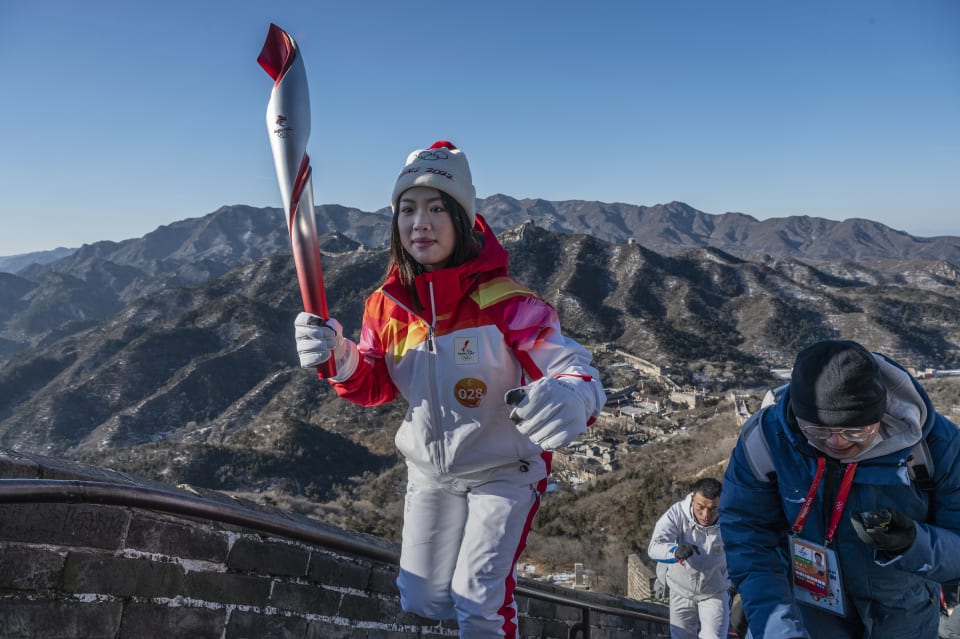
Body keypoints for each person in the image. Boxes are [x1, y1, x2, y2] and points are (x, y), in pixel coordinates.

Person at [294, 140, 606, 638]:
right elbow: (374, 381)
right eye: (408, 208)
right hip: (431, 472)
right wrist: (338, 356)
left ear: (462, 219)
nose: (421, 222)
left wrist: (575, 395)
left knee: (478, 599)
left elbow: (570, 365)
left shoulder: (507, 304)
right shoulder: (386, 306)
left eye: (438, 208)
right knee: (422, 597)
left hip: (505, 471)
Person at [720, 339, 960, 639]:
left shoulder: (936, 446)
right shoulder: (767, 442)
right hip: (809, 615)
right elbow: (749, 541)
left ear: (881, 413)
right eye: (819, 431)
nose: (837, 443)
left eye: (855, 430)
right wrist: (780, 630)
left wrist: (914, 544)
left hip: (904, 617)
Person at [648, 477, 730, 639]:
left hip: (714, 591)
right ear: (692, 499)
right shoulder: (677, 513)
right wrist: (674, 551)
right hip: (681, 590)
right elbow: (654, 547)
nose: (706, 515)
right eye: (701, 507)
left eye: (713, 509)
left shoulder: (730, 519)